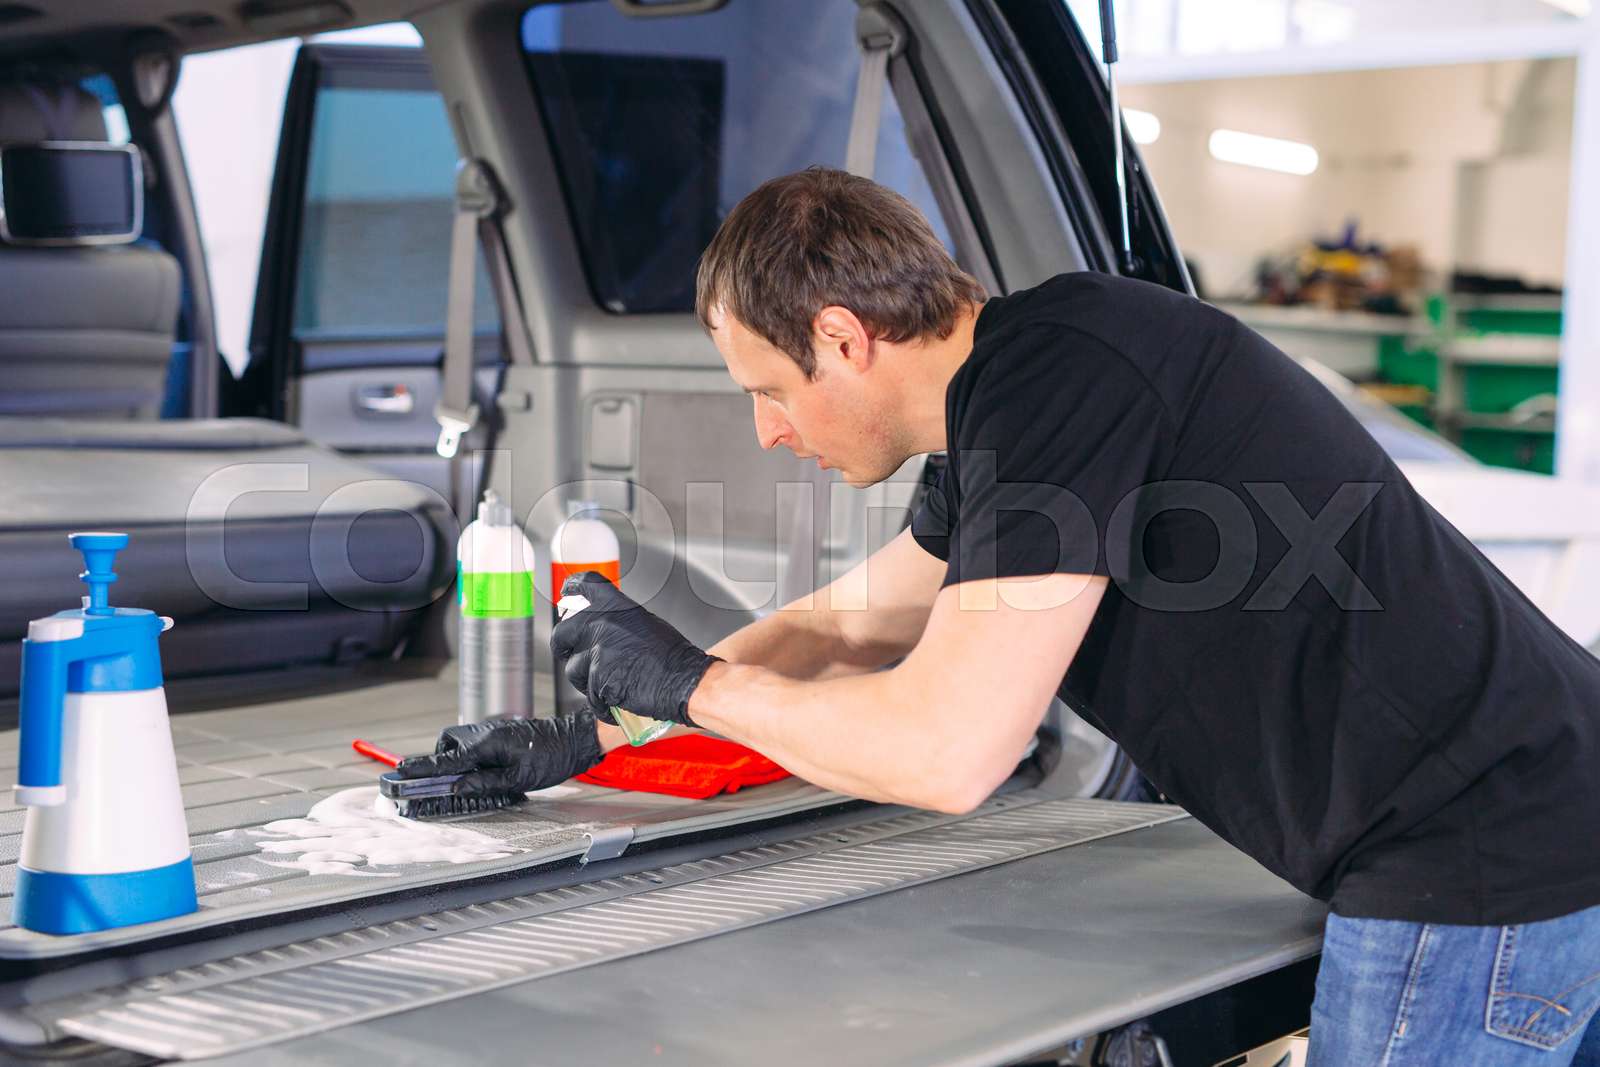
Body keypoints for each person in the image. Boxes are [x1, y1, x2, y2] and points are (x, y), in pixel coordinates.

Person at [397, 167, 1600, 1064]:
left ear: (840, 337)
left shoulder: (1059, 377)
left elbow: (948, 750)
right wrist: (599, 735)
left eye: (770, 392)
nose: (769, 430)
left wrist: (695, 687)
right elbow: (851, 624)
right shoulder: (1020, 392)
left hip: (1488, 859)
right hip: (1532, 818)